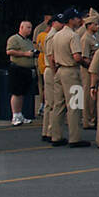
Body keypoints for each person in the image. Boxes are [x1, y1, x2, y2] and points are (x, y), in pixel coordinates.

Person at [50, 9, 88, 147]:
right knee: (74, 105)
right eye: (77, 18)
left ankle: (56, 136)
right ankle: (75, 137)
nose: (79, 21)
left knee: (58, 105)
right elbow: (77, 57)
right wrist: (86, 64)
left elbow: (52, 57)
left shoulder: (57, 35)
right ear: (71, 20)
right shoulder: (73, 36)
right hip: (71, 71)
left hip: (60, 70)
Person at [5, 20, 38, 126]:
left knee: (22, 93)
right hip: (17, 68)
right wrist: (25, 54)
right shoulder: (14, 39)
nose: (30, 30)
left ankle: (20, 114)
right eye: (28, 27)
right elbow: (9, 51)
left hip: (27, 69)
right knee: (16, 92)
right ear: (21, 27)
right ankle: (15, 115)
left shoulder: (29, 41)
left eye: (31, 27)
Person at [40, 15, 65, 143]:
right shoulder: (52, 35)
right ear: (54, 23)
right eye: (60, 22)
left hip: (50, 69)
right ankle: (50, 131)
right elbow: (50, 56)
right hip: (51, 69)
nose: (62, 25)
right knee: (53, 102)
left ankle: (47, 131)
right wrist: (56, 72)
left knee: (50, 103)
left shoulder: (54, 34)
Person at [33, 14, 52, 118]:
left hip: (45, 61)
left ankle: (45, 105)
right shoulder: (40, 31)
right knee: (44, 85)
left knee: (45, 85)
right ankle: (43, 104)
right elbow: (36, 45)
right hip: (44, 62)